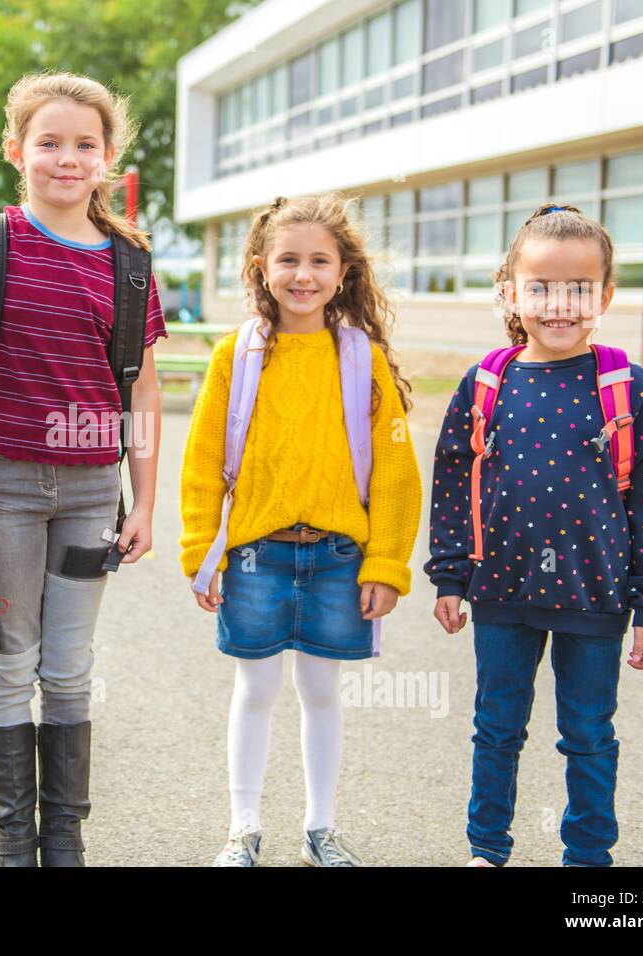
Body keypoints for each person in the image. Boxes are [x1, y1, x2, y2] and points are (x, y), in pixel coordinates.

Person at [0, 71, 167, 866]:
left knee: (68, 668)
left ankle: (64, 840)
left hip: (93, 492)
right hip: (0, 487)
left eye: (85, 145)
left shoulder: (130, 263)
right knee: (9, 658)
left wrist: (144, 499)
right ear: (16, 151)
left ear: (107, 158)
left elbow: (139, 385)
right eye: (50, 143)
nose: (68, 158)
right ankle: (11, 843)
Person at [425, 202, 643, 866]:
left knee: (589, 736)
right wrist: (450, 577)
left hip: (596, 599)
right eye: (541, 286)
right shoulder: (488, 383)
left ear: (604, 294)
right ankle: (487, 848)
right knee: (496, 732)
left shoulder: (628, 387)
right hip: (501, 594)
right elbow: (455, 483)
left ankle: (588, 857)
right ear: (511, 291)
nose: (559, 304)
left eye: (578, 288)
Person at [180, 194, 422, 867]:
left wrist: (386, 565)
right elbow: (202, 462)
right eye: (288, 259)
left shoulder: (360, 357)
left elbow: (397, 472)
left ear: (342, 272)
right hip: (256, 556)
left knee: (321, 692)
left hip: (340, 558)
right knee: (254, 690)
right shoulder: (238, 355)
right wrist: (204, 552)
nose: (303, 274)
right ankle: (243, 827)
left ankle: (321, 828)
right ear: (262, 268)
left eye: (320, 261)